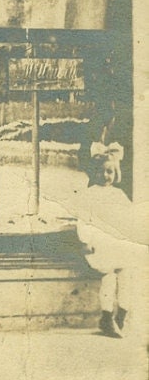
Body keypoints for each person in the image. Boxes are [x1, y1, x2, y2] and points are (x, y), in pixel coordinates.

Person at [50, 142, 146, 338]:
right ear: (93, 173)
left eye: (109, 172)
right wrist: (85, 241)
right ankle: (107, 316)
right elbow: (83, 221)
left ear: (115, 173)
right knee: (110, 274)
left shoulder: (118, 194)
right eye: (101, 171)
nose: (105, 176)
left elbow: (129, 218)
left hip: (116, 243)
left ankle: (122, 314)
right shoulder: (89, 194)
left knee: (127, 272)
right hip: (99, 244)